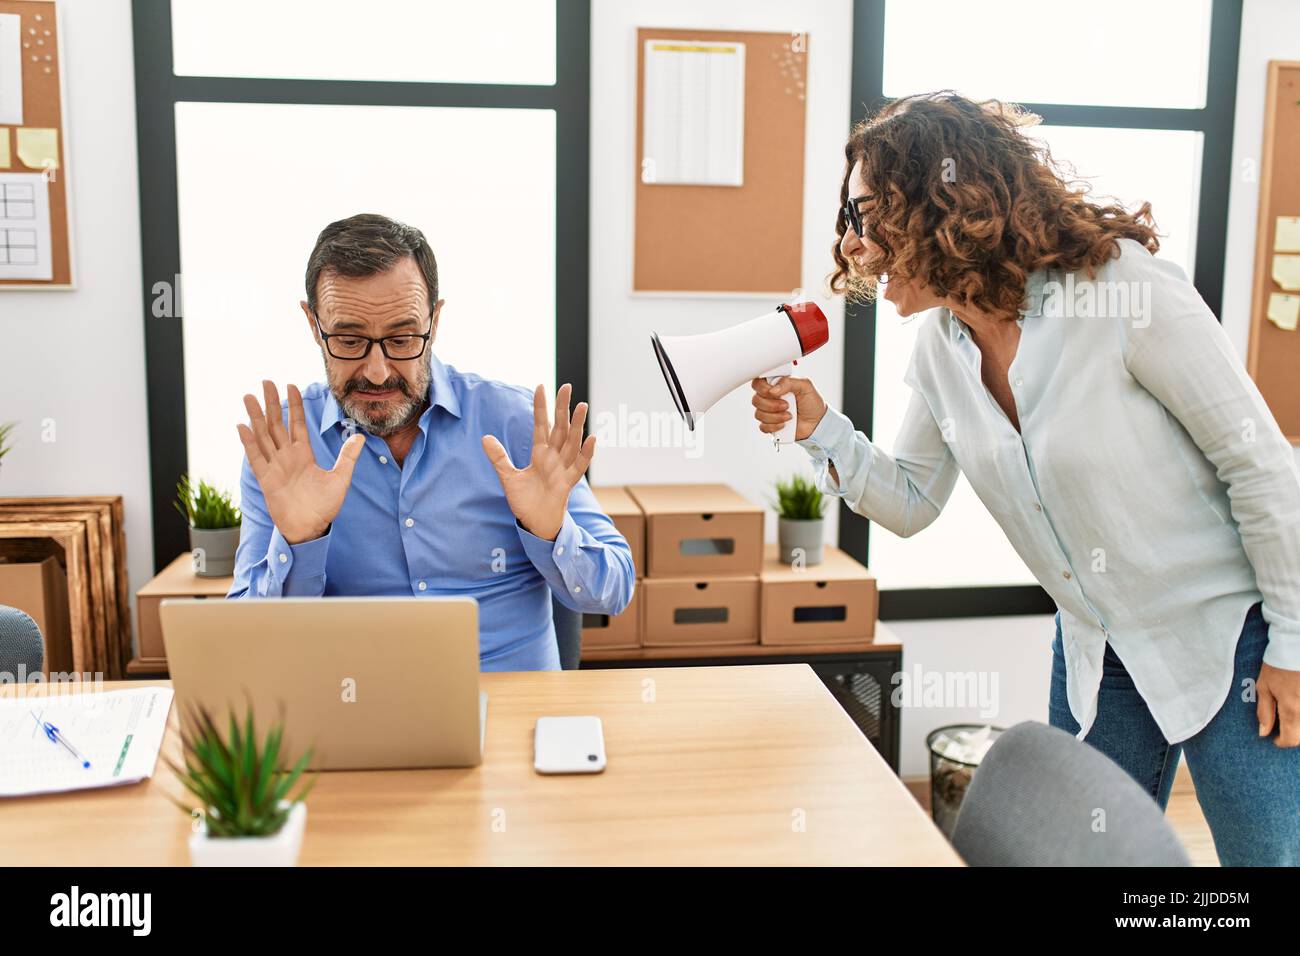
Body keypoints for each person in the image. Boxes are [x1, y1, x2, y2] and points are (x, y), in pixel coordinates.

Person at [752, 92, 1300, 865]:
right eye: (851, 219)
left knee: (1263, 864)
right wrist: (819, 429)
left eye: (868, 214)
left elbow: (1262, 466)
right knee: (1072, 854)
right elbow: (910, 502)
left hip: (1236, 638)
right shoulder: (942, 350)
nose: (853, 246)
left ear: (945, 204)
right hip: (1098, 648)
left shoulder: (1123, 293)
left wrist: (1294, 647)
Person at [229, 213, 634, 670]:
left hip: (513, 711)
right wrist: (298, 542)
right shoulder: (282, 451)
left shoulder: (517, 426)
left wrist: (552, 532)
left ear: (435, 321)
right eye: (348, 339)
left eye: (402, 339)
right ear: (313, 324)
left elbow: (613, 591)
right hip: (355, 715)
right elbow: (250, 646)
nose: (378, 371)